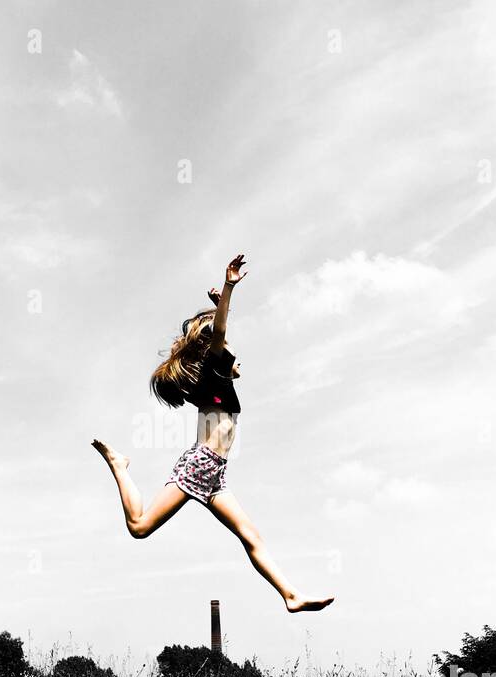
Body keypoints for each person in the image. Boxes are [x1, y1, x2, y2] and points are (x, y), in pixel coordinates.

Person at [92, 255, 334, 613]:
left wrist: (217, 304)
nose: (238, 360)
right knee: (140, 526)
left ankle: (291, 596)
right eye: (231, 355)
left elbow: (217, 333)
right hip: (199, 465)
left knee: (251, 537)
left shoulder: (212, 378)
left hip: (215, 473)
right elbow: (219, 335)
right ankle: (120, 465)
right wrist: (228, 288)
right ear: (216, 354)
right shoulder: (214, 372)